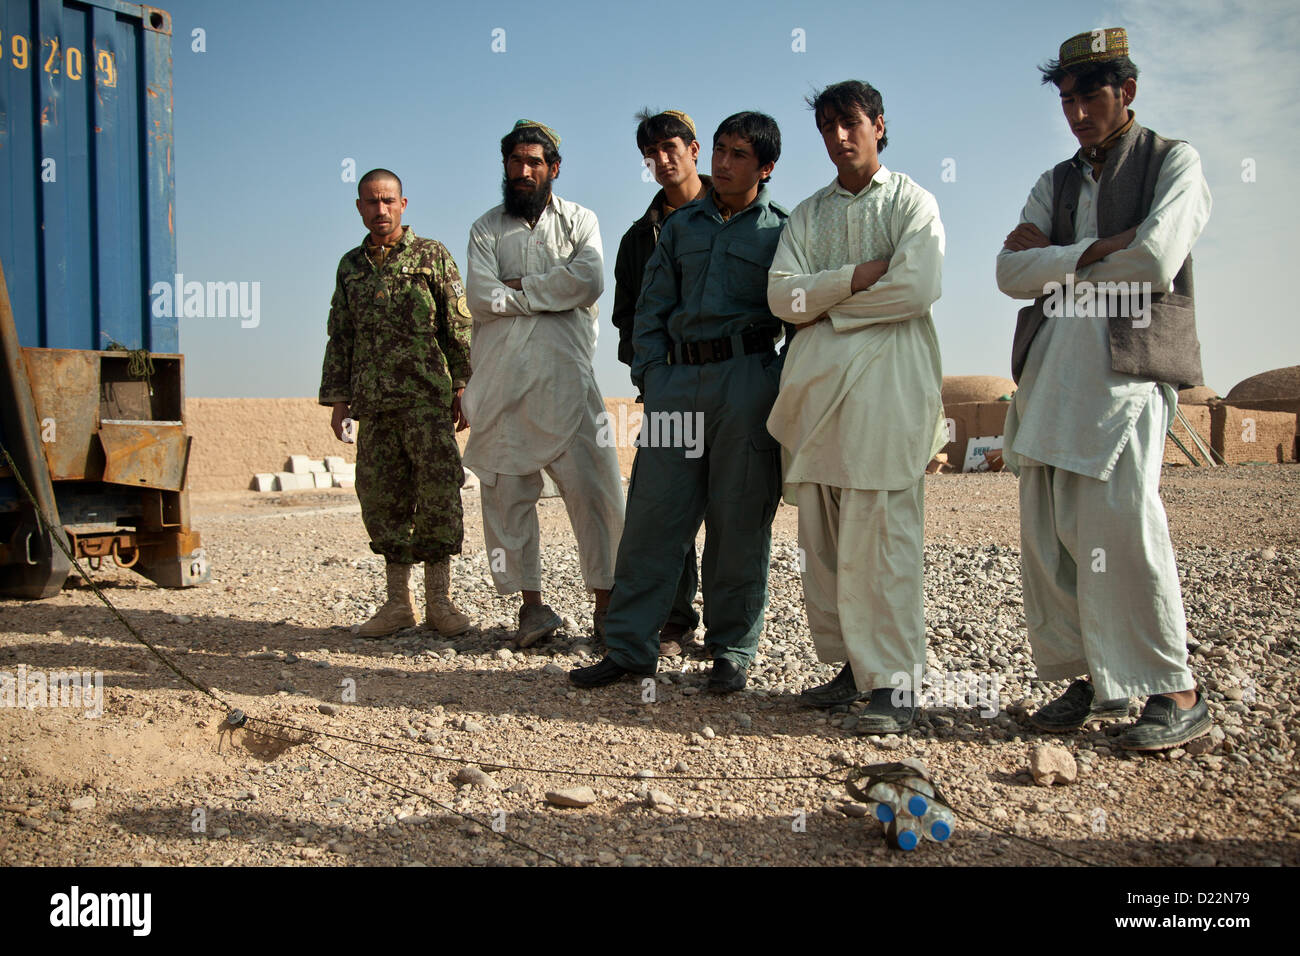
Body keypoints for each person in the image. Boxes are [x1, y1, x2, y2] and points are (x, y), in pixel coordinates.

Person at [996, 28, 1213, 750]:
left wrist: (1056, 263)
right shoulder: (1055, 181)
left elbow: (1154, 258)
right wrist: (1096, 249)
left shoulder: (1173, 163)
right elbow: (1007, 274)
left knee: (1121, 525)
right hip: (1051, 369)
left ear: (1127, 90)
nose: (1077, 110)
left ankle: (1173, 688)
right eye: (1066, 98)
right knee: (1053, 532)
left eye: (1090, 94)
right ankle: (1090, 678)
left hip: (1123, 370)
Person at [571, 111, 788, 693]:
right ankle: (629, 648)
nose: (722, 162)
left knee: (739, 520)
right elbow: (649, 311)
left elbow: (800, 314)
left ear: (764, 168)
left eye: (738, 154)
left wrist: (775, 381)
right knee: (651, 518)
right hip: (676, 389)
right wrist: (653, 376)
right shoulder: (679, 229)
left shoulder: (781, 231)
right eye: (719, 150)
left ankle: (730, 650)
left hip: (747, 383)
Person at [766, 81, 946, 733]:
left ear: (877, 124)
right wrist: (853, 277)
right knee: (827, 543)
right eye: (826, 126)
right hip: (818, 403)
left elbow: (919, 286)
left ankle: (895, 687)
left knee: (882, 542)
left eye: (850, 123)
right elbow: (780, 299)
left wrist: (826, 311)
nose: (839, 137)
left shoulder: (911, 203)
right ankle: (851, 668)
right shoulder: (808, 215)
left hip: (888, 394)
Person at [463, 120, 625, 647]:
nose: (524, 171)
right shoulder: (486, 229)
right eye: (515, 162)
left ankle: (606, 606)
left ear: (554, 169)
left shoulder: (581, 221)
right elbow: (482, 296)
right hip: (502, 384)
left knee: (598, 494)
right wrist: (548, 294)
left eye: (535, 162)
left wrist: (521, 290)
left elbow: (590, 280)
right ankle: (531, 608)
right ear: (505, 167)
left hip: (568, 381)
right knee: (507, 495)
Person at [319, 168, 473, 639]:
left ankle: (440, 604)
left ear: (403, 204)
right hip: (376, 407)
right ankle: (396, 605)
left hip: (427, 402)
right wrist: (339, 399)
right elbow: (340, 336)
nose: (380, 210)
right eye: (370, 202)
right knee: (382, 499)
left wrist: (465, 386)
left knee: (437, 496)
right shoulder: (351, 267)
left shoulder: (432, 256)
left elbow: (458, 325)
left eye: (388, 201)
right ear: (360, 208)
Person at [611, 108, 712, 658]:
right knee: (666, 510)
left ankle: (729, 636)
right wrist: (651, 373)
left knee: (735, 508)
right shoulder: (637, 239)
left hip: (735, 384)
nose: (663, 160)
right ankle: (674, 622)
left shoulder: (742, 212)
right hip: (669, 391)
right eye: (652, 153)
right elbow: (627, 318)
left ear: (695, 149)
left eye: (672, 147)